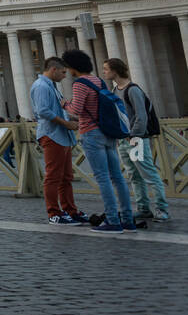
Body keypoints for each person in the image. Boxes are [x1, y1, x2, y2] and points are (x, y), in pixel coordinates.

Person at [62, 49, 134, 232]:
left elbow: (76, 109)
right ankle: (127, 219)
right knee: (117, 177)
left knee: (103, 178)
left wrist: (64, 104)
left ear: (72, 67)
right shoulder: (98, 81)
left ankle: (112, 220)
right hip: (107, 132)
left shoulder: (80, 83)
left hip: (91, 133)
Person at [103, 57, 170, 222]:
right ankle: (143, 208)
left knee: (149, 174)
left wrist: (134, 135)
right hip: (123, 141)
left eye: (106, 69)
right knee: (133, 175)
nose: (104, 72)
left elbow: (141, 116)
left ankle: (162, 209)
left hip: (136, 140)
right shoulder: (114, 90)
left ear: (115, 70)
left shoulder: (132, 90)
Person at [29, 57, 86, 225]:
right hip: (52, 134)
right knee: (53, 176)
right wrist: (67, 123)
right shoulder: (40, 86)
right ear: (53, 69)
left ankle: (70, 210)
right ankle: (53, 213)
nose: (65, 76)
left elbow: (59, 110)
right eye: (63, 72)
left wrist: (77, 118)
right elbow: (43, 111)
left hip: (61, 135)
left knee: (66, 176)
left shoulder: (52, 86)